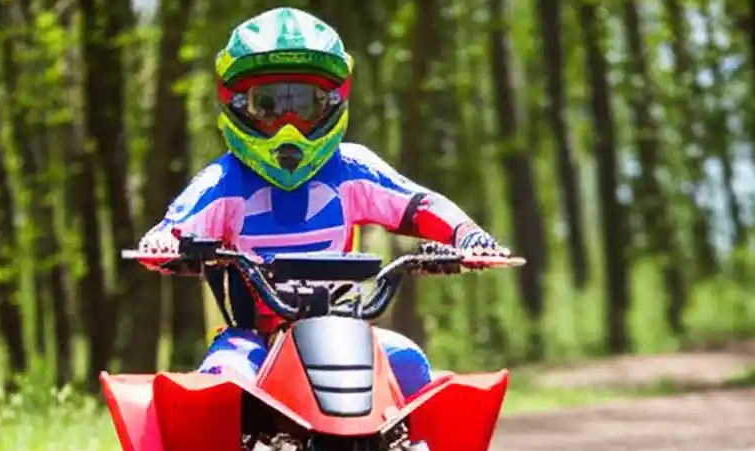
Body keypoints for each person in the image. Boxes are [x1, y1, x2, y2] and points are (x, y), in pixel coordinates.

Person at [134, 6, 508, 397]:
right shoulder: (223, 181)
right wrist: (164, 244)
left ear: (331, 103)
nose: (288, 123)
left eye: (305, 105)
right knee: (224, 381)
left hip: (345, 328)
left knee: (409, 364)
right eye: (269, 105)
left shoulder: (352, 168)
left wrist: (467, 235)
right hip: (254, 340)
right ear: (239, 104)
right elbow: (174, 227)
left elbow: (418, 204)